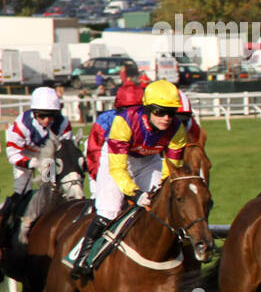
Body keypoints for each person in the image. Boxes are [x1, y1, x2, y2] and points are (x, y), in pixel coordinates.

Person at [70, 80, 188, 279]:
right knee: (110, 209)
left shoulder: (177, 129)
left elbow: (172, 169)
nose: (166, 118)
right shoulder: (123, 121)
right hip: (117, 160)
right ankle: (84, 255)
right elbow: (118, 168)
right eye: (160, 111)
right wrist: (135, 193)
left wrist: (157, 190)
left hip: (149, 160)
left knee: (164, 202)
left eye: (171, 112)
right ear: (147, 108)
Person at [6, 86, 73, 196]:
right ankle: (9, 210)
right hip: (25, 154)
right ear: (34, 112)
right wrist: (30, 162)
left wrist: (51, 162)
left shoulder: (63, 124)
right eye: (42, 115)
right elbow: (12, 153)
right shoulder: (21, 125)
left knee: (52, 188)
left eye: (51, 116)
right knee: (22, 188)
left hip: (50, 155)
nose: (47, 120)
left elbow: (66, 151)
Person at [85, 82, 145, 179]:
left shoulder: (152, 121)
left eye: (135, 111)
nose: (130, 115)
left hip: (141, 163)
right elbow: (94, 151)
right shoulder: (105, 120)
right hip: (109, 162)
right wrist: (98, 176)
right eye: (126, 110)